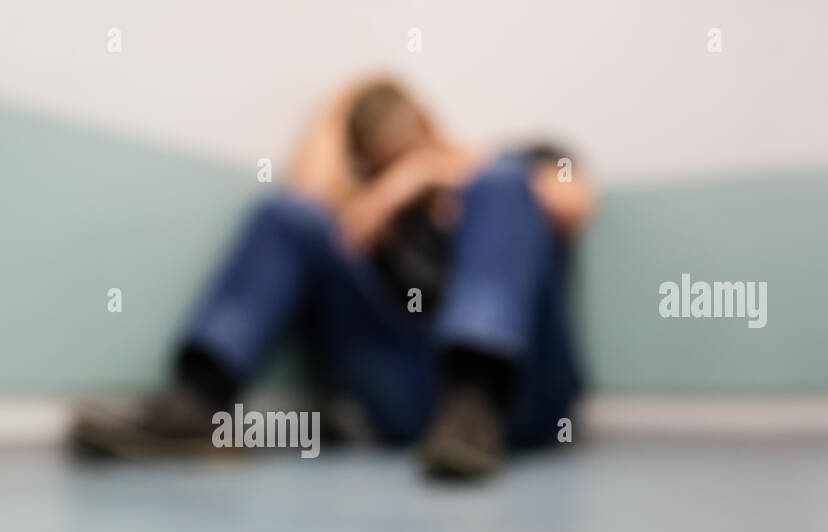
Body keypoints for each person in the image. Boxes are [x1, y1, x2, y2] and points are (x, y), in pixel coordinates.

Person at [71, 76, 594, 478]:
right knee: (289, 216)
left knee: (504, 182)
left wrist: (432, 168)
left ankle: (477, 399)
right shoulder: (368, 207)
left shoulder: (505, 166)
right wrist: (346, 112)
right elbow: (304, 197)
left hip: (526, 394)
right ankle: (194, 404)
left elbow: (574, 202)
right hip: (416, 400)